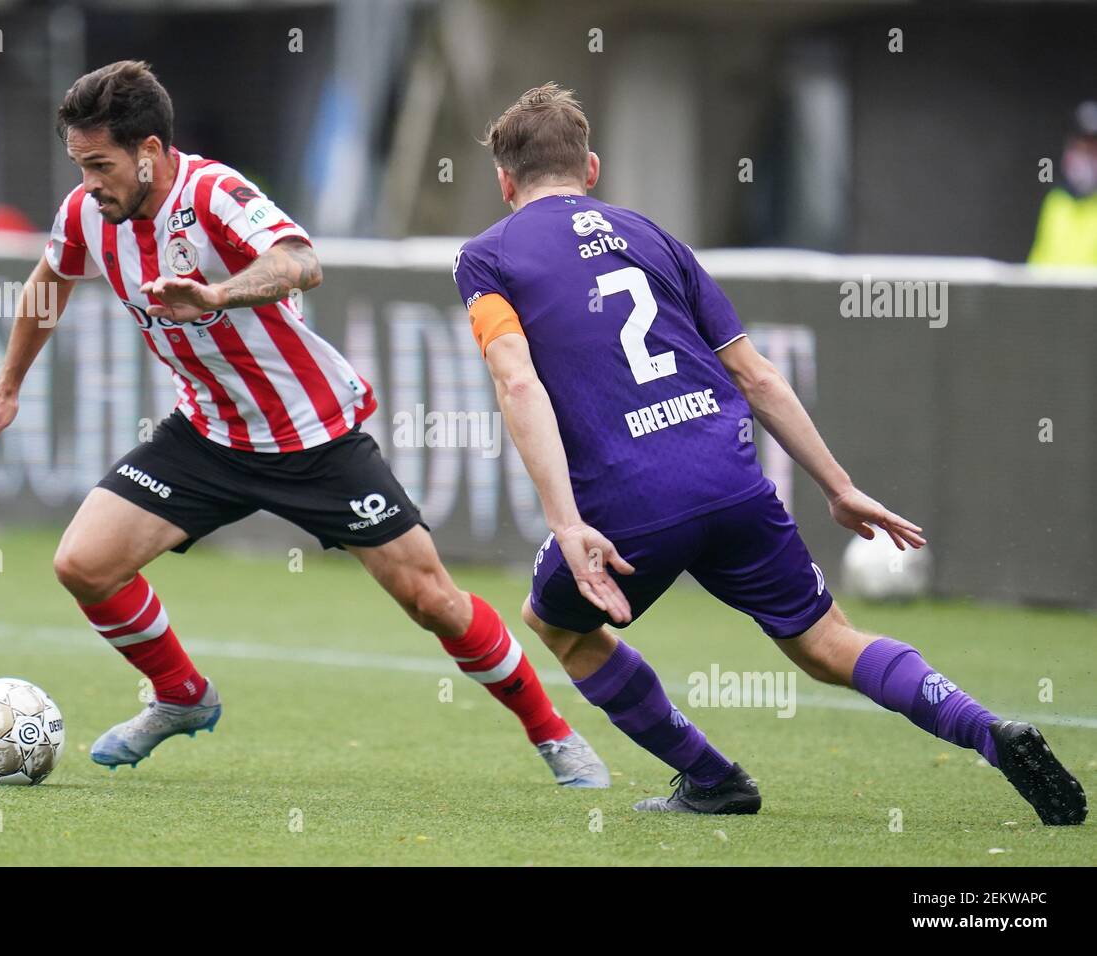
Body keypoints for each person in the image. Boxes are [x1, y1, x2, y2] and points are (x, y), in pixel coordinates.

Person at [0, 62, 609, 788]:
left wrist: (217, 293)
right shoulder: (85, 215)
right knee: (83, 564)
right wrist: (6, 390)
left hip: (313, 436)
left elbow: (300, 260)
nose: (90, 183)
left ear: (151, 152)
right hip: (207, 436)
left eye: (101, 165)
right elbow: (50, 280)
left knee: (432, 601)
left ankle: (554, 734)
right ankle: (182, 696)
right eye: (81, 165)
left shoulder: (213, 193)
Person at [453, 83, 1086, 824]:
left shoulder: (486, 257)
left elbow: (517, 379)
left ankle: (714, 779)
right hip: (730, 479)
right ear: (590, 168)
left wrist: (565, 523)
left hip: (629, 498)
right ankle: (989, 730)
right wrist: (839, 486)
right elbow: (755, 375)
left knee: (555, 622)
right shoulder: (653, 238)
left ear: (505, 182)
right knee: (827, 641)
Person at [1028, 101, 1097, 266]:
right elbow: (1037, 265)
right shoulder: (1056, 201)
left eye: (1091, 149)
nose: (1083, 157)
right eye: (1078, 147)